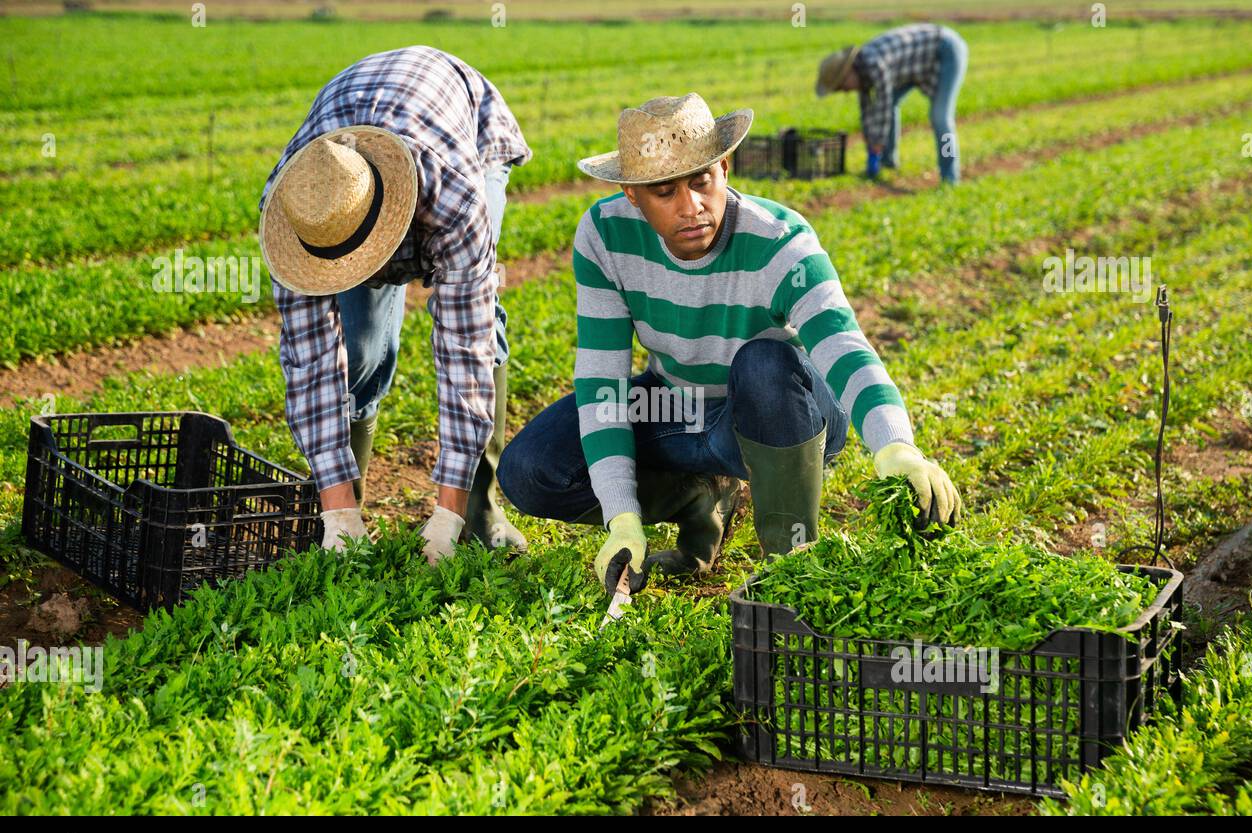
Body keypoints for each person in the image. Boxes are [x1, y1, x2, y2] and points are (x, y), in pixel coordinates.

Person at [497, 93, 960, 595]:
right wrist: (622, 517)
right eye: (664, 192)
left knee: (763, 361)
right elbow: (602, 378)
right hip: (674, 405)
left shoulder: (781, 241)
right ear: (632, 194)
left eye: (701, 182)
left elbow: (843, 345)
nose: (691, 207)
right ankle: (701, 496)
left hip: (780, 409)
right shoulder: (605, 235)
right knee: (531, 470)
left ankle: (790, 566)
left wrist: (897, 447)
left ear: (724, 167)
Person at [257, 46, 531, 566]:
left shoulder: (454, 202)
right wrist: (336, 513)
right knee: (358, 347)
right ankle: (347, 510)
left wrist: (443, 513)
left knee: (483, 324)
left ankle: (478, 508)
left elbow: (462, 345)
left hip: (464, 130)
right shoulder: (296, 212)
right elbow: (311, 363)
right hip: (355, 135)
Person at [816, 24, 968, 183]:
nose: (846, 92)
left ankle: (950, 176)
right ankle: (888, 161)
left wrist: (877, 142)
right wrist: (870, 141)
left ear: (848, 74)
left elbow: (883, 106)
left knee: (940, 117)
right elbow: (867, 110)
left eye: (842, 87)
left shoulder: (874, 64)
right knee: (893, 106)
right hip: (915, 62)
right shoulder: (862, 69)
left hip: (945, 49)